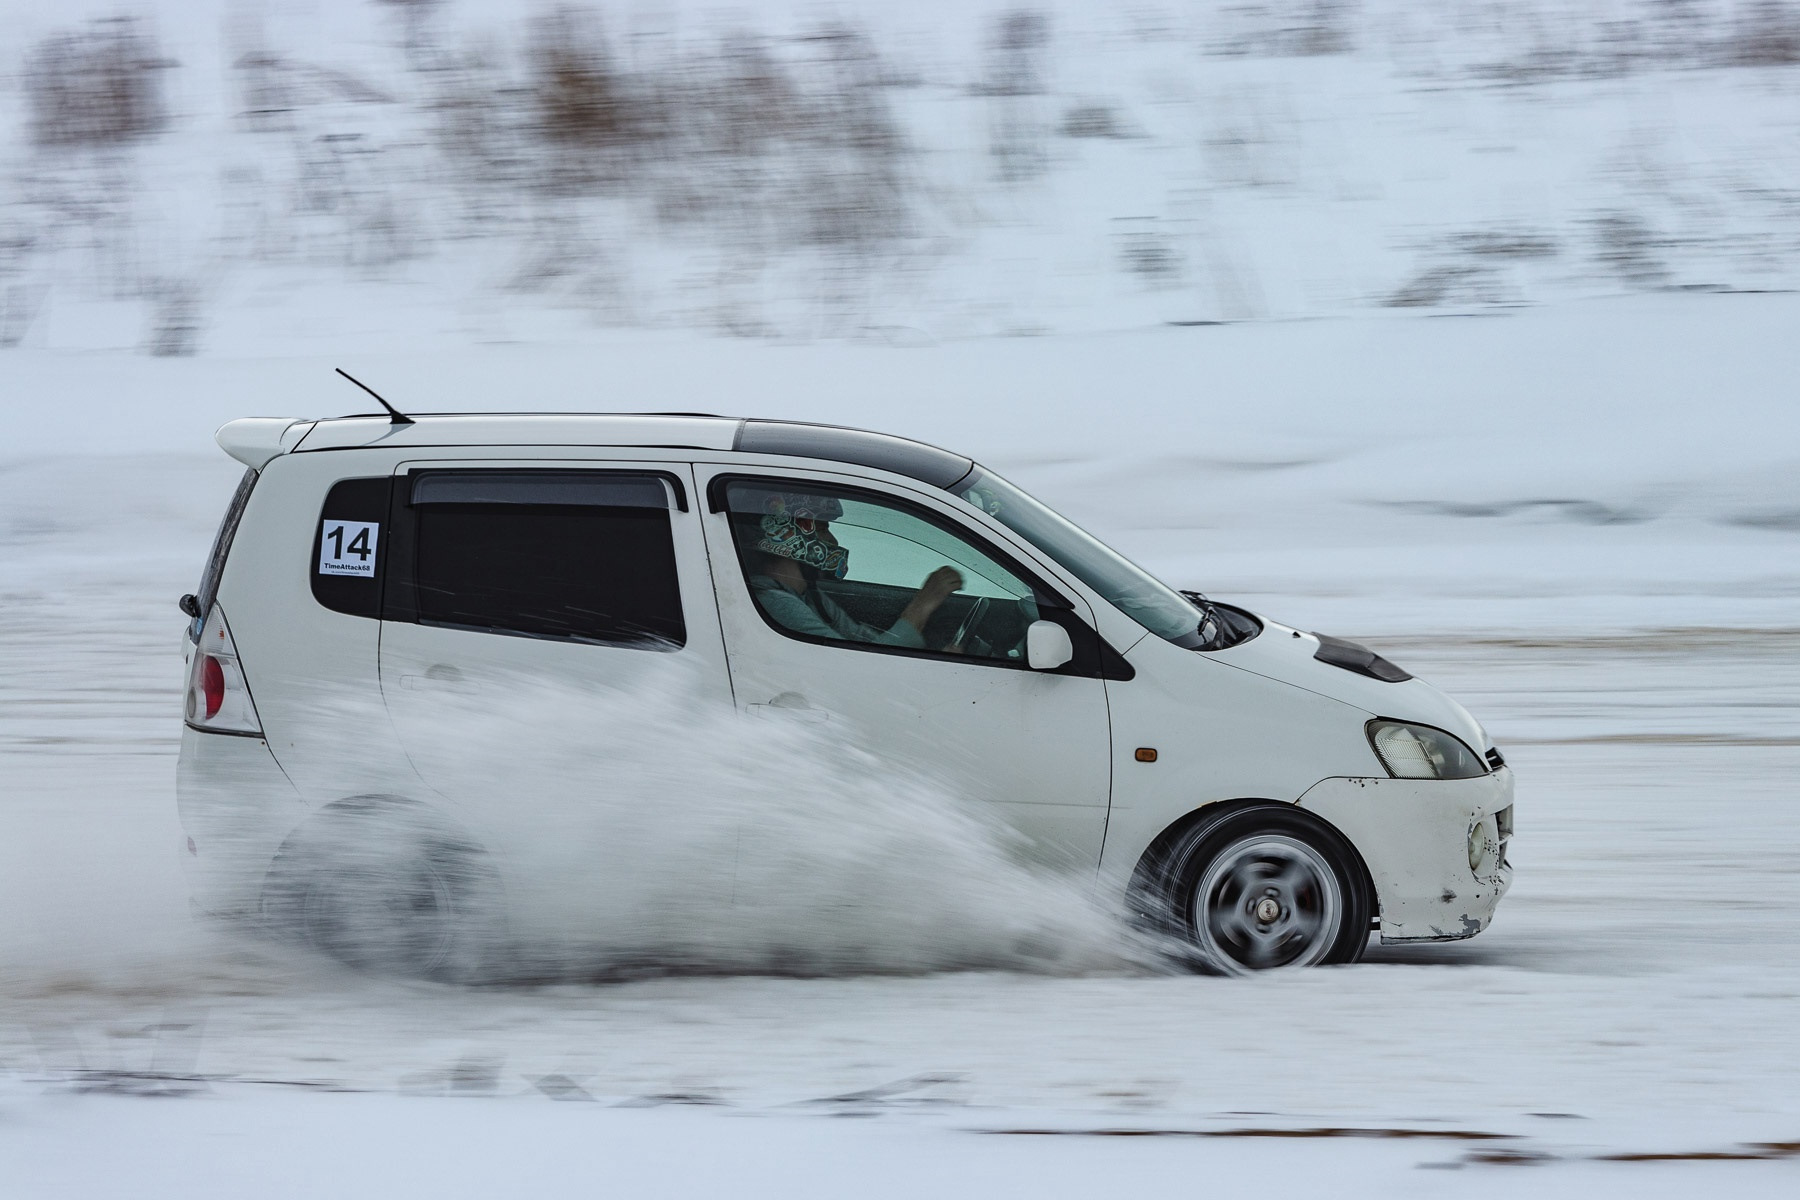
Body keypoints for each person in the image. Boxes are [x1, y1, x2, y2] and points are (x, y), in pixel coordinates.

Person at [745, 492, 963, 649]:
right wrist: (923, 604)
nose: (832, 540)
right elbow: (865, 664)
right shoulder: (777, 603)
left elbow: (861, 641)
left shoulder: (810, 598)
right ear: (786, 534)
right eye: (822, 529)